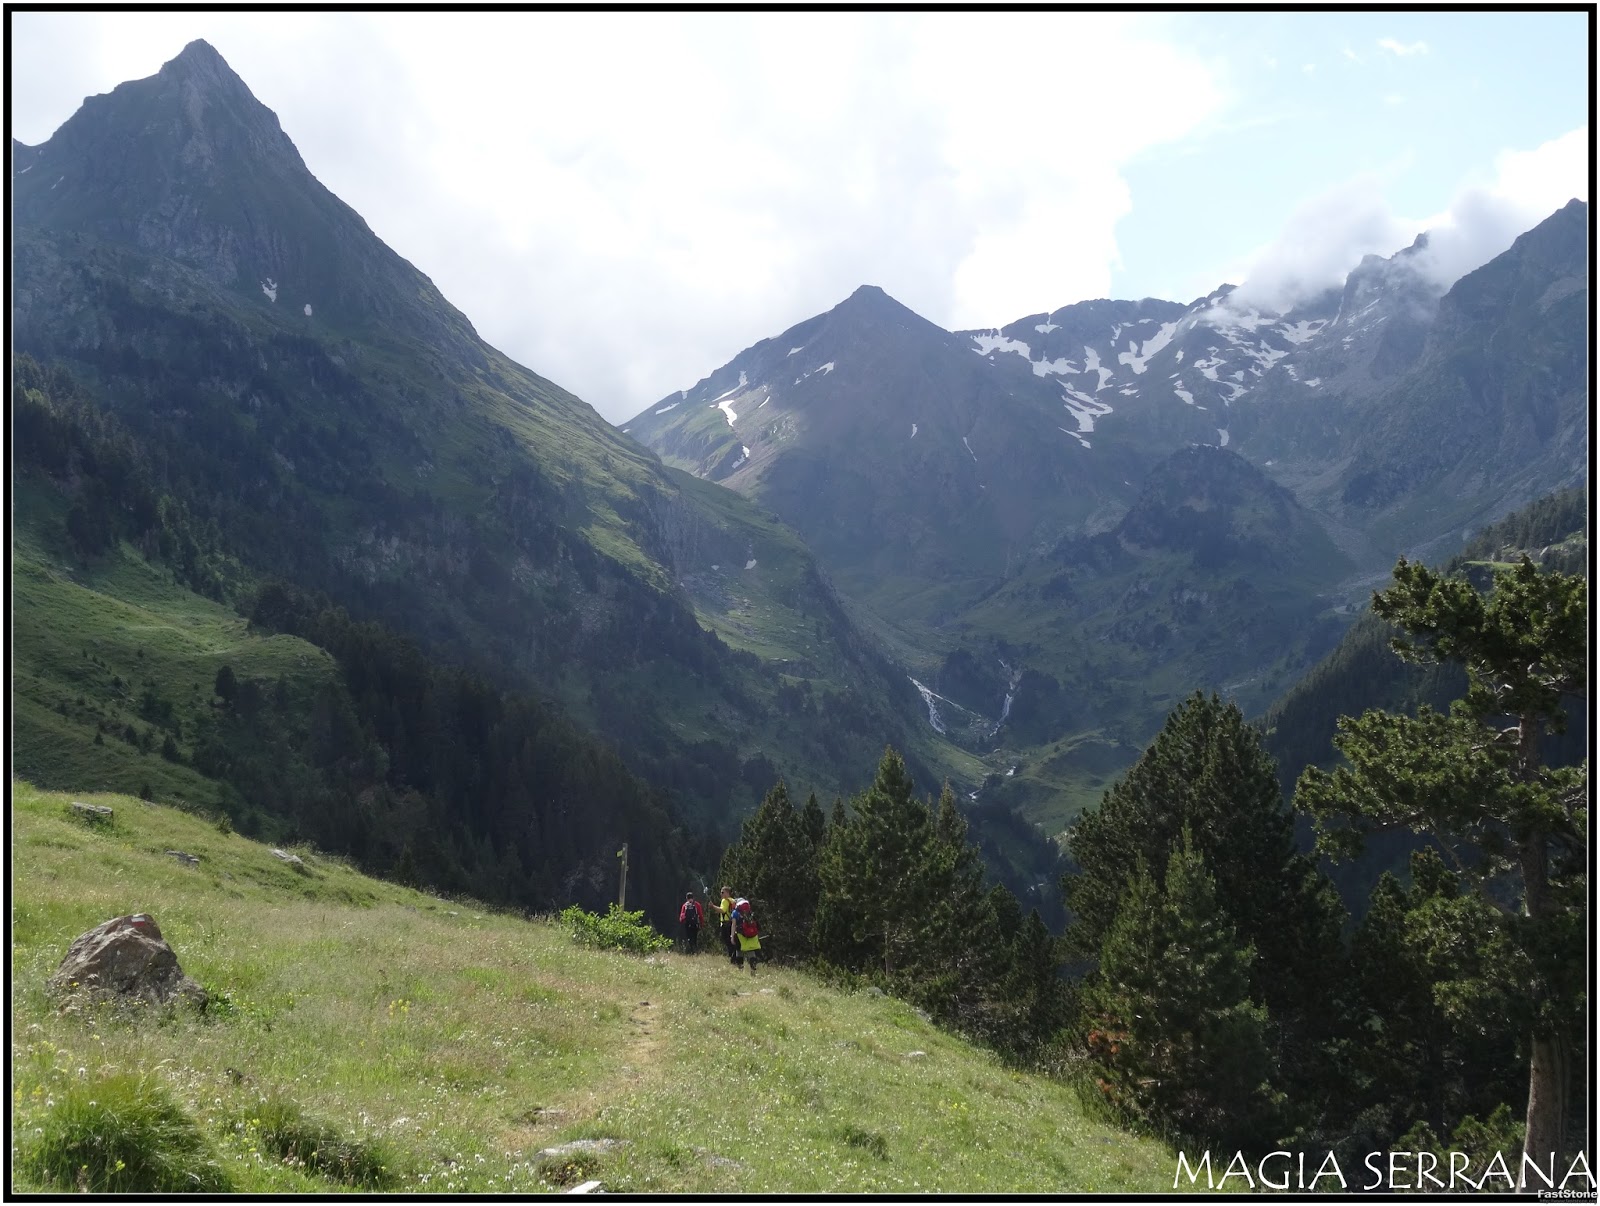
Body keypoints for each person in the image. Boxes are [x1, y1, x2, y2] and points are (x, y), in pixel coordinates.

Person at [732, 896, 761, 974]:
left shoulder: (735, 912)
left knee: (739, 951)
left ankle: (740, 970)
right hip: (751, 934)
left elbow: (733, 925)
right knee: (751, 951)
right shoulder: (749, 911)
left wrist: (732, 936)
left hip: (740, 934)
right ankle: (753, 971)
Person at [712, 886, 737, 963]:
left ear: (727, 893)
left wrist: (713, 906)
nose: (721, 894)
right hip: (732, 923)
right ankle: (736, 957)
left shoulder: (724, 901)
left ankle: (732, 959)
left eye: (723, 892)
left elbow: (722, 910)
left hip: (725, 923)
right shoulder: (733, 901)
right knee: (732, 942)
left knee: (728, 942)